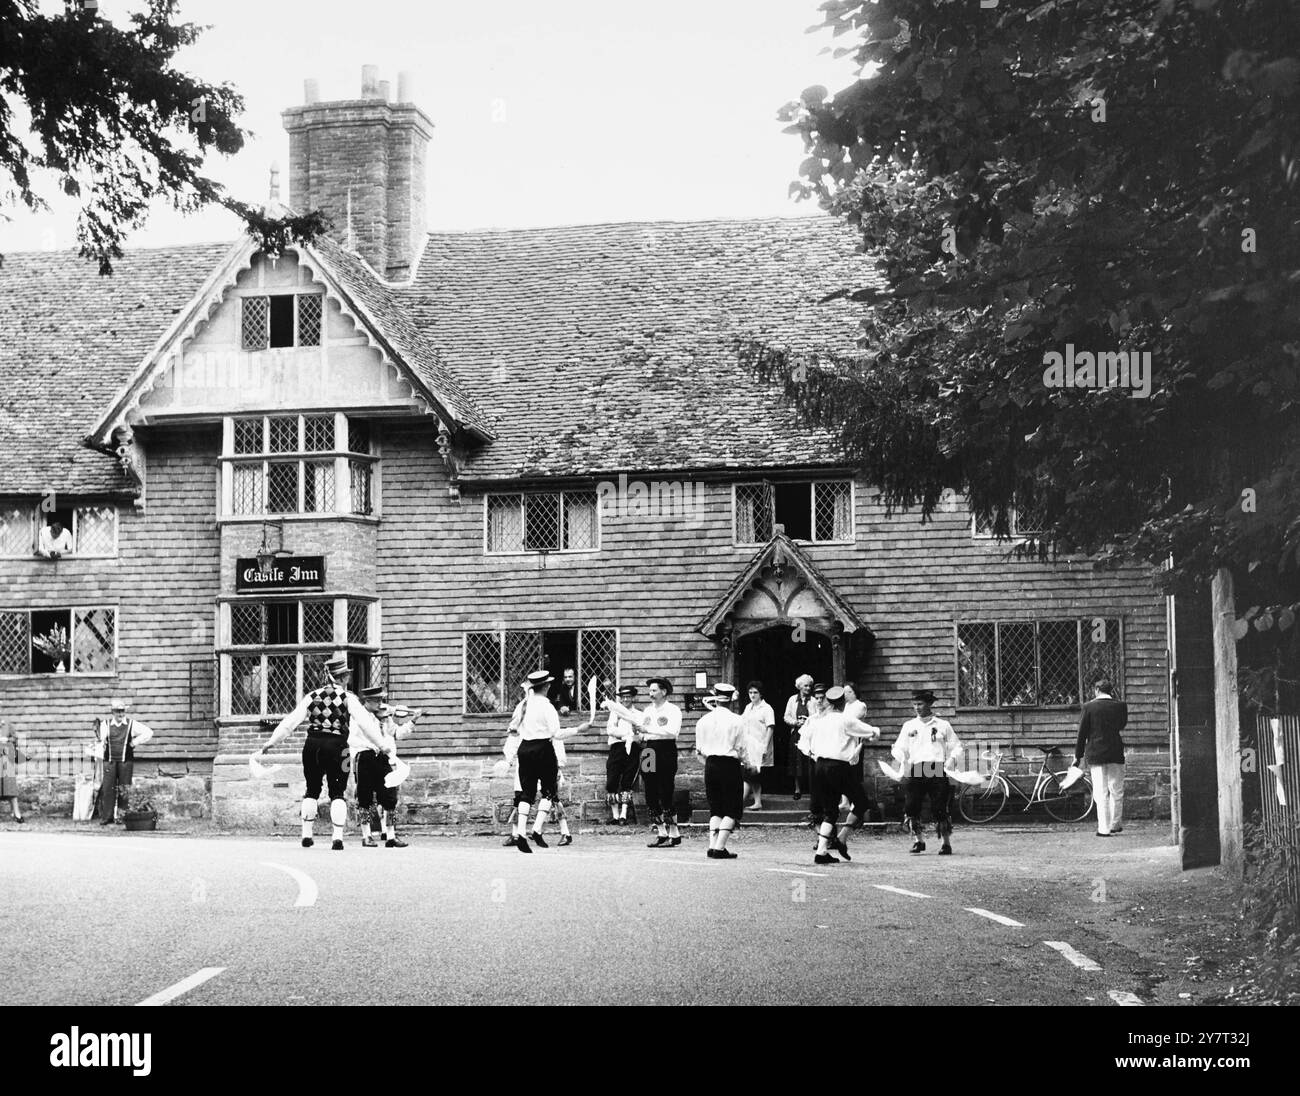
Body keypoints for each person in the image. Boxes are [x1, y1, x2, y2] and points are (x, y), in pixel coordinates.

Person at [254, 652, 391, 851]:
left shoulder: (312, 696)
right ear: (342, 678)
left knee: (312, 789)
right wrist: (382, 744)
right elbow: (366, 725)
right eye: (347, 676)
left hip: (312, 746)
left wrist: (271, 742)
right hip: (337, 747)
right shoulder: (348, 698)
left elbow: (290, 722)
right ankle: (337, 838)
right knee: (337, 792)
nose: (349, 679)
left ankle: (307, 834)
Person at [603, 677, 682, 848]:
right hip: (649, 750)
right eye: (650, 691)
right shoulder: (647, 711)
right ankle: (661, 831)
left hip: (666, 749)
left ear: (664, 692)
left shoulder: (673, 710)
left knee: (666, 790)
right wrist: (635, 732)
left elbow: (673, 731)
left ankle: (674, 833)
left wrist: (648, 729)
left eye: (654, 690)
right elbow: (643, 734)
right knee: (650, 789)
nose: (650, 694)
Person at [805, 686, 880, 864]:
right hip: (837, 766)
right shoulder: (845, 720)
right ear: (842, 702)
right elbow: (872, 732)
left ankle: (822, 852)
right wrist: (875, 732)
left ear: (829, 702)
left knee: (830, 810)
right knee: (861, 802)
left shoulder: (819, 721)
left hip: (819, 765)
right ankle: (842, 837)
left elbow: (809, 745)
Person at [512, 669, 582, 852]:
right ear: (546, 687)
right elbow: (556, 734)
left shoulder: (523, 705)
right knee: (549, 791)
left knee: (527, 792)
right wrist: (577, 729)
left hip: (525, 749)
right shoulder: (547, 706)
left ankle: (520, 832)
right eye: (549, 684)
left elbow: (512, 728)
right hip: (543, 749)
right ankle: (536, 829)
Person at [892, 689, 961, 855]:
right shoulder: (909, 726)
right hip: (916, 769)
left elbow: (957, 746)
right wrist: (901, 757)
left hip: (936, 768)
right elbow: (899, 747)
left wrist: (951, 759)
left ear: (929, 704)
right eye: (915, 704)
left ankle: (946, 843)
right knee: (911, 806)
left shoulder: (943, 725)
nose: (917, 707)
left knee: (939, 807)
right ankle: (919, 841)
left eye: (920, 704)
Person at [694, 683, 751, 859]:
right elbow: (741, 748)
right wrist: (747, 762)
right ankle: (719, 847)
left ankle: (712, 845)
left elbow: (699, 749)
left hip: (710, 763)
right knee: (732, 808)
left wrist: (709, 762)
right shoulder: (737, 720)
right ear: (731, 699)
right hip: (729, 764)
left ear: (716, 697)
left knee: (716, 807)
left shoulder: (703, 720)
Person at [354, 686, 415, 848]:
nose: (381, 704)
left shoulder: (385, 718)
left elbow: (397, 734)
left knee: (390, 798)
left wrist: (413, 720)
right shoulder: (358, 716)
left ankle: (390, 835)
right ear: (367, 701)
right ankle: (366, 835)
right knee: (364, 799)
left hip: (384, 758)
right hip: (366, 756)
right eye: (377, 701)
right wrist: (371, 745)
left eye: (381, 700)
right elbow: (352, 739)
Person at [1074, 677, 1128, 837]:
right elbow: (1122, 725)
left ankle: (1103, 828)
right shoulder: (1121, 706)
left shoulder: (1089, 707)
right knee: (1116, 790)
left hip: (1096, 753)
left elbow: (1082, 733)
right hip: (1115, 751)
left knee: (1100, 791)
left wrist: (1078, 755)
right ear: (1110, 690)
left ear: (1096, 690)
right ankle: (1115, 824)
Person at [96, 697, 153, 825]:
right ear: (112, 712)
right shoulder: (105, 724)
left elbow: (149, 732)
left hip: (125, 761)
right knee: (108, 788)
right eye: (118, 711)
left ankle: (122, 816)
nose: (121, 714)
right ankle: (107, 817)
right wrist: (100, 750)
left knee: (124, 788)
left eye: (122, 711)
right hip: (109, 760)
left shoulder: (131, 725)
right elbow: (100, 741)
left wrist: (134, 742)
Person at [603, 684, 643, 824]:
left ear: (633, 698)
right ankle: (615, 815)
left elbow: (642, 733)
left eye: (628, 697)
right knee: (612, 779)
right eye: (623, 697)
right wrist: (624, 735)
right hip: (617, 746)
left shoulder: (638, 714)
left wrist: (637, 735)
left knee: (628, 779)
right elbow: (610, 730)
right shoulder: (615, 713)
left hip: (632, 748)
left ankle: (623, 815)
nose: (626, 699)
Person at [740, 681, 775, 810]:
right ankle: (757, 802)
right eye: (750, 692)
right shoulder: (748, 707)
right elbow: (742, 722)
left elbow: (770, 728)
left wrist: (765, 746)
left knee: (751, 776)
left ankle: (740, 802)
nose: (752, 695)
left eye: (755, 692)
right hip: (749, 747)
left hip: (760, 746)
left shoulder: (767, 709)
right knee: (751, 775)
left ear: (760, 694)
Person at [783, 674, 814, 800]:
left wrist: (808, 722)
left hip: (809, 735)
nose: (808, 688)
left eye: (809, 686)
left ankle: (812, 789)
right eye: (805, 686)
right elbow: (786, 716)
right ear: (800, 687)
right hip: (796, 733)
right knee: (796, 761)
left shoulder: (813, 701)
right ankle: (797, 789)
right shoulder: (792, 700)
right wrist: (795, 722)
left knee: (809, 761)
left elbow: (817, 716)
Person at [0, 723, 24, 823]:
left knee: (10, 785)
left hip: (6, 760)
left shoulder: (7, 726)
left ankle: (17, 813)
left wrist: (7, 740)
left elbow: (15, 740)